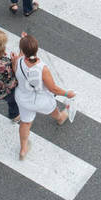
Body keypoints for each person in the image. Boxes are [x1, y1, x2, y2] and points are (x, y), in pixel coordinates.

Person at [11, 32, 75, 160]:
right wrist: (68, 93)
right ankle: (60, 118)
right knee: (54, 111)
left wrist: (23, 42)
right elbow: (53, 88)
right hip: (41, 100)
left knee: (26, 123)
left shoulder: (17, 61)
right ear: (37, 49)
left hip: (23, 98)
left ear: (22, 50)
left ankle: (23, 149)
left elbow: (16, 68)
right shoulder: (42, 68)